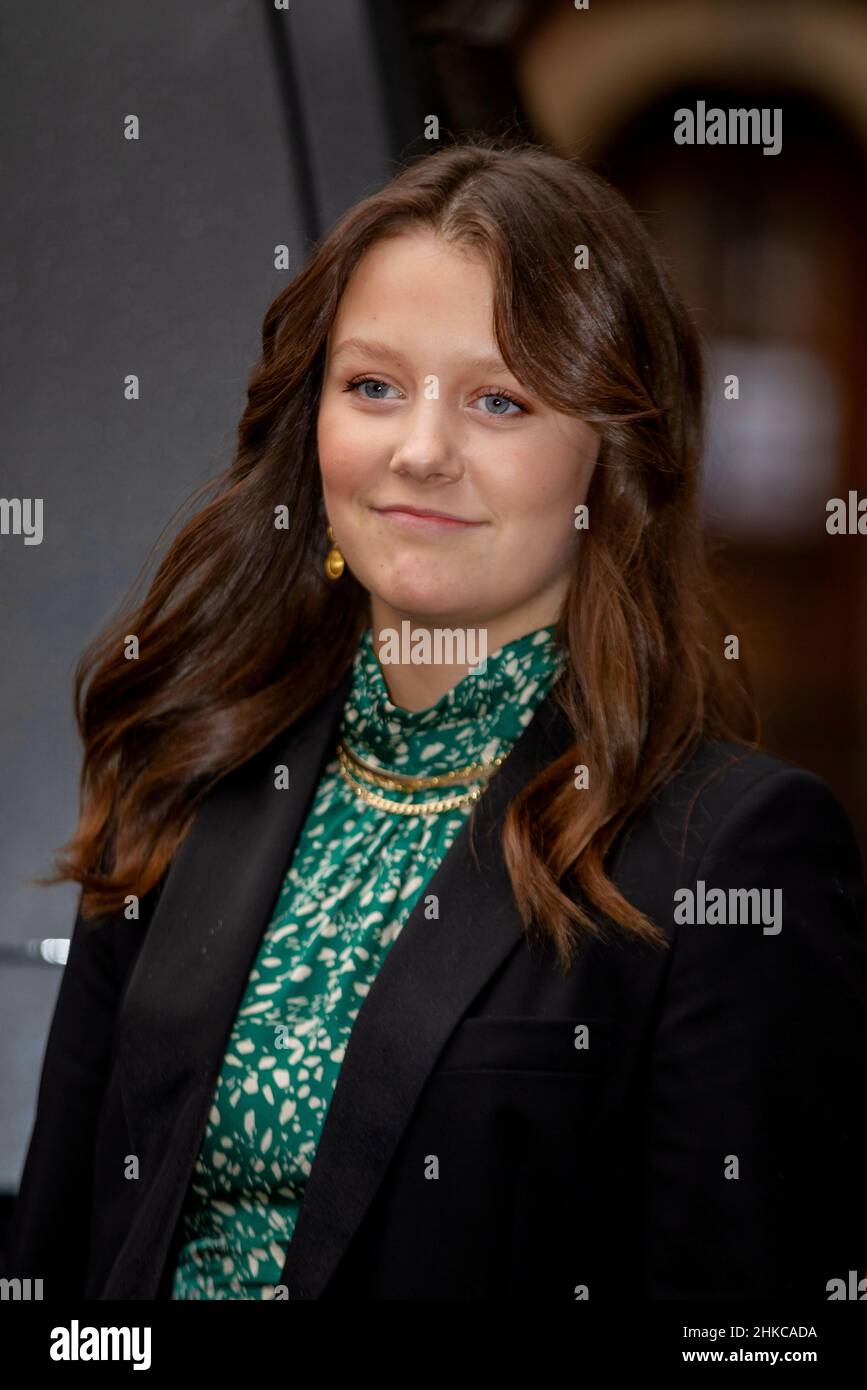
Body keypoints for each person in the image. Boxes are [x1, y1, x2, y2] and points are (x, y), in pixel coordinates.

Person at [7, 137, 867, 1301]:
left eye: (500, 400)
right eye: (373, 386)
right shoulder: (191, 755)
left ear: (612, 460)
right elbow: (58, 1265)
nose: (420, 450)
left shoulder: (733, 850)